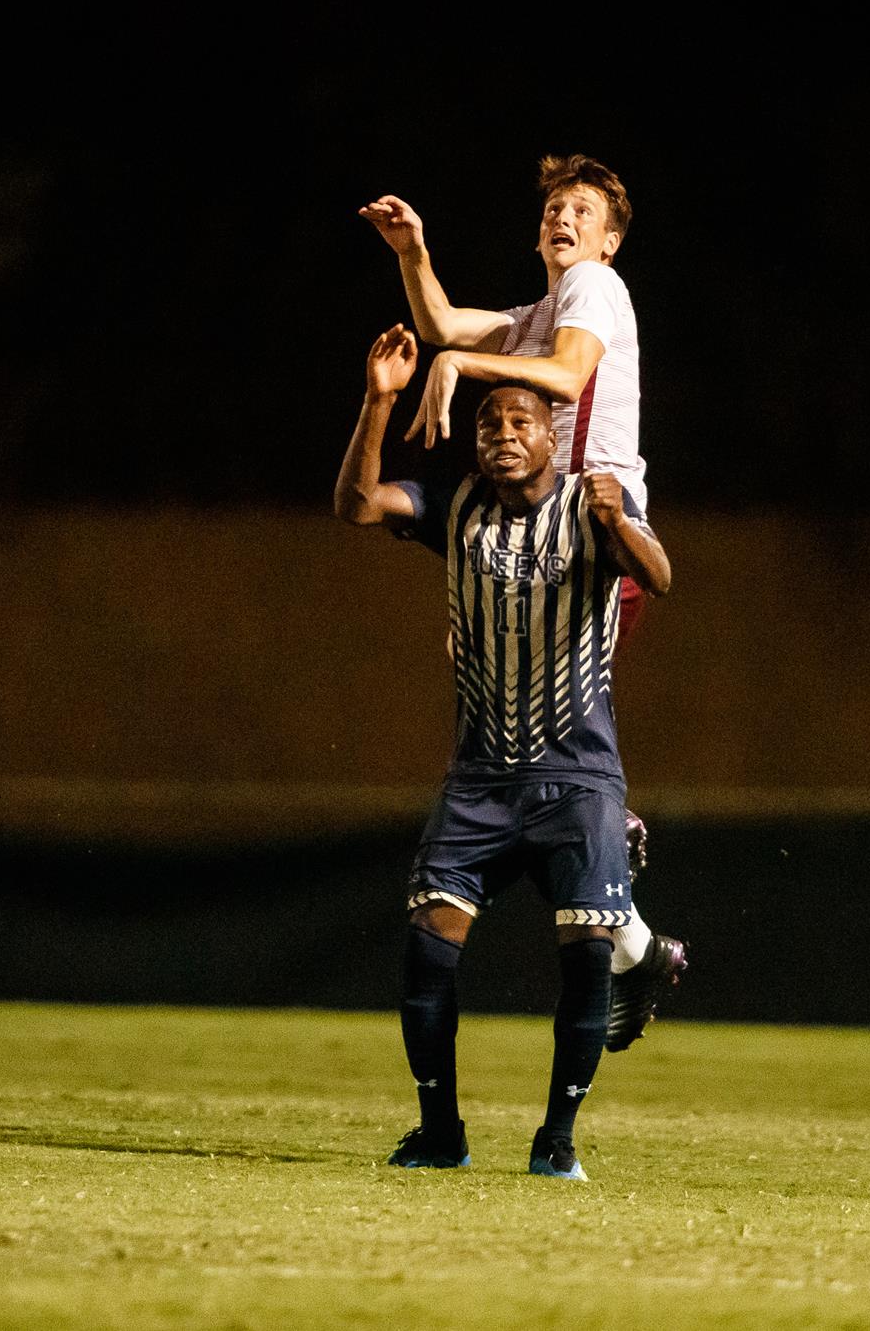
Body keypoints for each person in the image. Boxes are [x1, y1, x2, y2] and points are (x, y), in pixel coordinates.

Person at [359, 155, 686, 1051]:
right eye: (552, 206)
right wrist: (413, 252)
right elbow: (439, 323)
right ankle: (639, 941)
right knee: (496, 677)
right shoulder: (543, 310)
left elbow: (569, 378)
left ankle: (605, 823)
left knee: (549, 723)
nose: (563, 219)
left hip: (598, 530)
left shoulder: (593, 290)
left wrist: (459, 363)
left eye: (581, 209)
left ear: (610, 240)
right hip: (547, 532)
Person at [333, 322, 672, 1180]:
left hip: (577, 776)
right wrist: (379, 402)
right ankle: (440, 1130)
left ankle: (557, 1140)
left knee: (586, 951)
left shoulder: (589, 508)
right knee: (427, 945)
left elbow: (661, 576)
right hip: (481, 776)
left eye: (522, 421)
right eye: (491, 425)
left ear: (549, 433)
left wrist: (618, 525)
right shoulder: (456, 509)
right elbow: (356, 505)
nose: (505, 435)